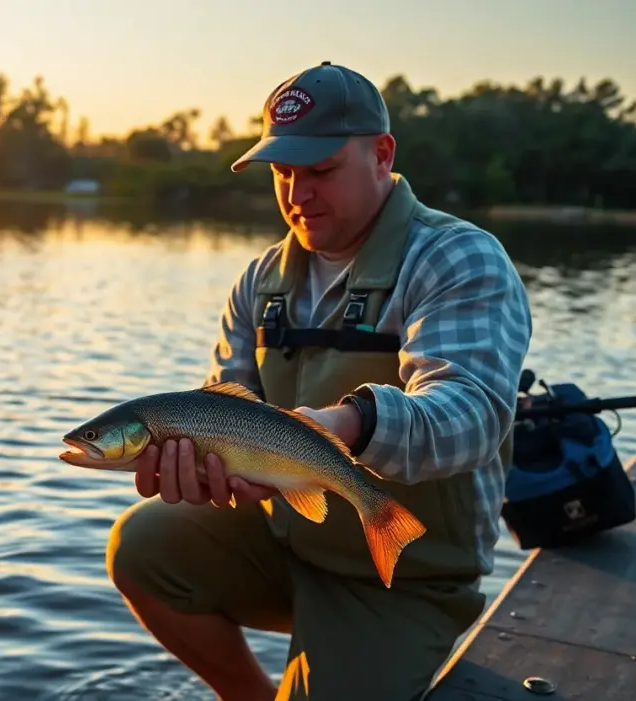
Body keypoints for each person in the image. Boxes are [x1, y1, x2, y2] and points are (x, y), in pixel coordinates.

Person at [105, 60, 533, 701]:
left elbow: (469, 415)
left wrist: (348, 424)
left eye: (321, 171)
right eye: (283, 173)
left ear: (382, 155)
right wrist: (213, 475)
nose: (297, 195)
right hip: (285, 538)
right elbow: (223, 402)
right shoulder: (260, 280)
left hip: (404, 576)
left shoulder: (456, 256)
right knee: (141, 544)